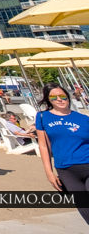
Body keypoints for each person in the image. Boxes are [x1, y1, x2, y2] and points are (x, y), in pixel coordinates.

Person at [35, 82, 89, 223]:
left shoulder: (83, 119)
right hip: (66, 171)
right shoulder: (42, 117)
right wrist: (49, 173)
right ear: (48, 100)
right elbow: (43, 146)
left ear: (68, 97)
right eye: (54, 97)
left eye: (63, 96)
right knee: (85, 210)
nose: (59, 99)